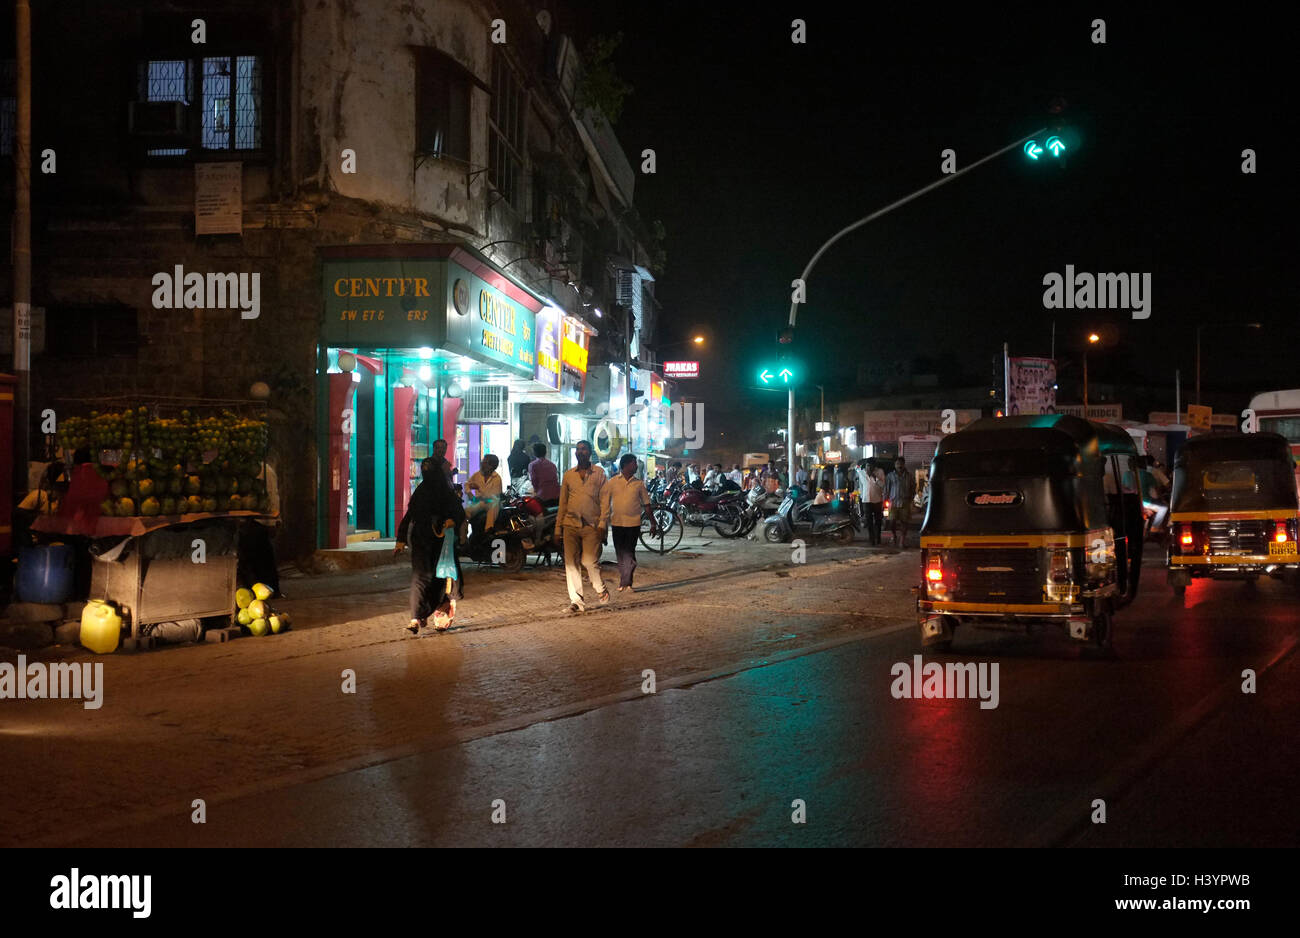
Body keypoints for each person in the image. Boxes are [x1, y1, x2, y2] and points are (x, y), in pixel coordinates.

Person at [395, 456, 466, 634]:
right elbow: (410, 515)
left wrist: (451, 520)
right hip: (422, 540)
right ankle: (415, 617)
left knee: (436, 578)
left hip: (440, 541)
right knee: (421, 577)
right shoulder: (422, 491)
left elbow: (458, 512)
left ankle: (425, 614)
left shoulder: (445, 490)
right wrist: (401, 538)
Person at [555, 439, 608, 613]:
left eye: (584, 449)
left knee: (589, 561)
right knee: (571, 564)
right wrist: (558, 528)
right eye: (578, 449)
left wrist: (602, 524)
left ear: (590, 452)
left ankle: (600, 587)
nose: (580, 452)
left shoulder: (599, 473)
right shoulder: (569, 475)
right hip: (570, 524)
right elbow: (562, 503)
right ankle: (576, 601)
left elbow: (605, 502)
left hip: (591, 525)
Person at [602, 453, 651, 593]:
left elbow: (647, 505)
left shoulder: (639, 484)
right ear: (626, 465)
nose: (636, 466)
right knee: (620, 553)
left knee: (628, 552)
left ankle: (626, 582)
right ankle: (626, 581)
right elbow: (605, 504)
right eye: (634, 463)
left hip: (633, 524)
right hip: (617, 523)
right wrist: (603, 524)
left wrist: (653, 523)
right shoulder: (612, 482)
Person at [465, 454, 503, 542]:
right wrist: (469, 493)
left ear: (491, 466)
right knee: (464, 512)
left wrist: (479, 488)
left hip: (490, 503)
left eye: (484, 462)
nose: (481, 464)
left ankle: (488, 530)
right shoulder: (477, 475)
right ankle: (463, 538)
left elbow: (492, 496)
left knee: (494, 505)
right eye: (482, 462)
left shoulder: (497, 478)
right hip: (479, 502)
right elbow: (467, 484)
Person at [884, 456, 916, 548]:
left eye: (901, 464)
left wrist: (911, 498)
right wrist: (884, 501)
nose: (899, 466)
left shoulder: (909, 476)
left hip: (905, 502)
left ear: (904, 464)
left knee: (904, 522)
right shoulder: (890, 476)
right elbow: (886, 489)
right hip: (893, 502)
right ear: (894, 465)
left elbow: (913, 488)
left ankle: (902, 540)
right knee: (891, 521)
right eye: (897, 464)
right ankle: (894, 535)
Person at [857, 459, 886, 546]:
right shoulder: (861, 473)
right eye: (867, 466)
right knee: (868, 521)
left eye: (871, 466)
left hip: (877, 500)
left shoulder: (880, 472)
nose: (869, 468)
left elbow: (883, 485)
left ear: (874, 467)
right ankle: (871, 539)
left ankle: (878, 538)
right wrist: (862, 497)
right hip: (866, 500)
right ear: (865, 466)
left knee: (878, 520)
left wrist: (875, 477)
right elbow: (861, 486)